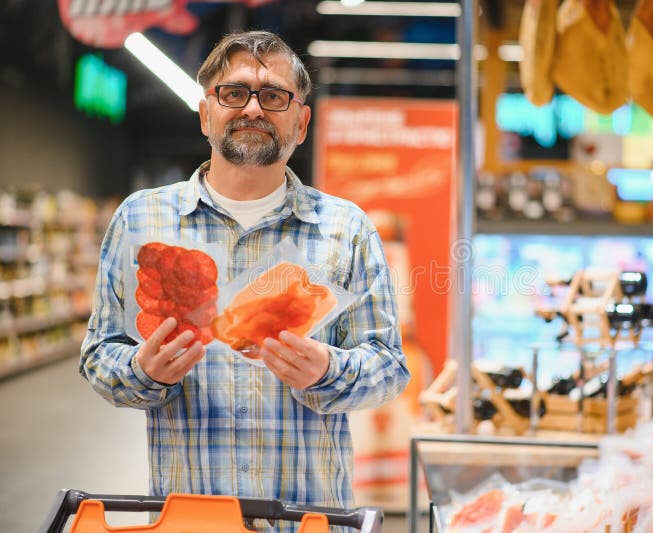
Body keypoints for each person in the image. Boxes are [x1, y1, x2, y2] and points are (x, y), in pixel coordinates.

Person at [80, 30, 410, 532]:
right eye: (234, 93)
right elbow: (99, 357)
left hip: (309, 521)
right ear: (205, 113)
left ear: (301, 122)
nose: (253, 108)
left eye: (274, 96)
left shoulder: (348, 229)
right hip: (189, 521)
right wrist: (145, 372)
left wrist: (328, 371)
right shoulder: (140, 221)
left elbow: (390, 368)